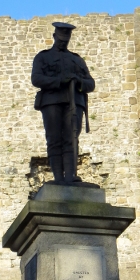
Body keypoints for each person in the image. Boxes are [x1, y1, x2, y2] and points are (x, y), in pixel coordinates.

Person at [31, 22, 95, 184]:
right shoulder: (43, 57)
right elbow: (36, 79)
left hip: (74, 102)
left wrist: (78, 81)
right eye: (60, 39)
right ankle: (58, 178)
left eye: (65, 40)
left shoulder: (76, 60)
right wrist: (59, 81)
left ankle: (70, 176)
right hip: (51, 101)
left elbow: (90, 83)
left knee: (72, 138)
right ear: (54, 37)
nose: (62, 42)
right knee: (54, 139)